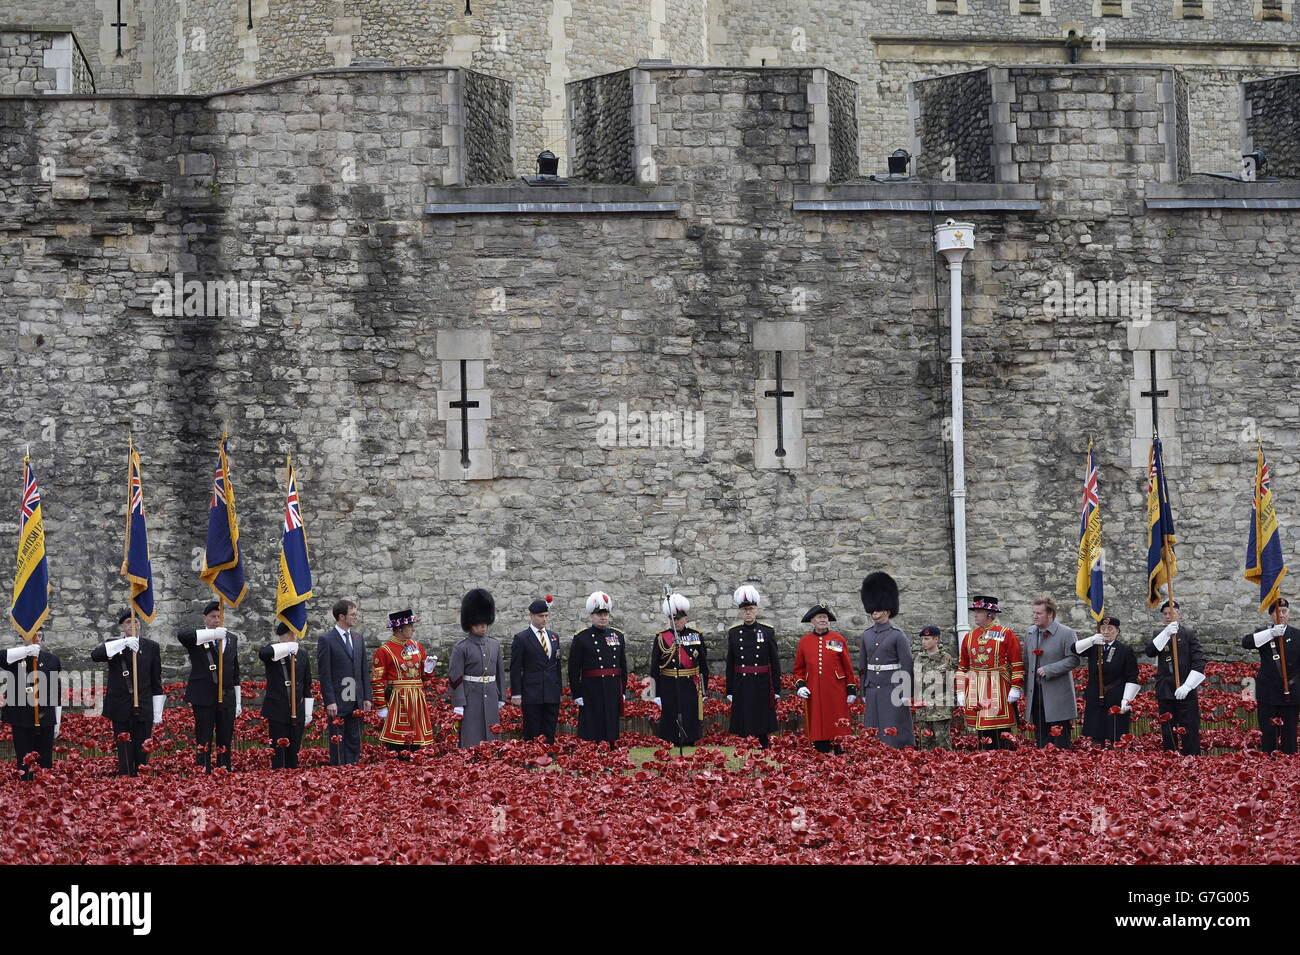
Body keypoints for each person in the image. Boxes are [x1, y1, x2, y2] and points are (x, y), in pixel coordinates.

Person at [91, 610, 164, 776]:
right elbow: (96, 655)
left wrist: (157, 711)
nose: (133, 625)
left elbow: (156, 680)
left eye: (136, 622)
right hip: (120, 706)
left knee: (143, 749)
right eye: (128, 623)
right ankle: (126, 780)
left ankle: (141, 781)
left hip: (144, 705)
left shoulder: (151, 647)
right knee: (124, 749)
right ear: (122, 627)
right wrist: (123, 644)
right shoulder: (113, 645)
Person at [177, 601, 240, 773]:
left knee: (225, 737)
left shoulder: (231, 638)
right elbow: (182, 635)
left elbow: (235, 671)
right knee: (203, 737)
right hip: (203, 696)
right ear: (204, 618)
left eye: (220, 616)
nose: (217, 620)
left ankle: (224, 768)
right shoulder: (197, 637)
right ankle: (203, 769)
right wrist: (212, 635)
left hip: (227, 696)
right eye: (213, 616)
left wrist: (238, 700)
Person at [957, 595, 1023, 750]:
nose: (975, 614)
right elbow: (962, 666)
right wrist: (960, 690)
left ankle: (1004, 766)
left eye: (978, 611)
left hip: (998, 687)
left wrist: (1016, 687)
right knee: (982, 733)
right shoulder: (970, 636)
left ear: (989, 614)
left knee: (1000, 730)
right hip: (976, 687)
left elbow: (1016, 663)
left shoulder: (1005, 634)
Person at [858, 572, 914, 748]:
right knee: (873, 726)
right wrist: (864, 690)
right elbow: (862, 666)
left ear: (887, 610)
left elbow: (907, 665)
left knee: (892, 727)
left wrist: (905, 691)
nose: (875, 612)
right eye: (873, 608)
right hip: (873, 687)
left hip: (892, 687)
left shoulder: (898, 635)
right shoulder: (866, 635)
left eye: (879, 608)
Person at [1144, 599, 1207, 756]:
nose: (1168, 616)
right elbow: (1150, 651)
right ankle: (1170, 760)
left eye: (1171, 613)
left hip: (1186, 689)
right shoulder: (1159, 634)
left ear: (1179, 614)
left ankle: (1191, 760)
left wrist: (1188, 685)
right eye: (1164, 614)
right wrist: (1165, 634)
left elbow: (1199, 662)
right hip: (1166, 689)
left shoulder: (1189, 633)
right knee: (1168, 730)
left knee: (1189, 730)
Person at [793, 604, 857, 754]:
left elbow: (847, 667)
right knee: (818, 721)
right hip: (813, 689)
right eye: (820, 617)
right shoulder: (804, 642)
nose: (823, 620)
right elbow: (799, 669)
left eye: (825, 617)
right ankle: (820, 751)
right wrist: (800, 685)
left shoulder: (837, 639)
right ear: (812, 621)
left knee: (836, 720)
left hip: (836, 690)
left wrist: (851, 688)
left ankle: (839, 750)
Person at [567, 591, 629, 745]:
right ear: (591, 616)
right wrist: (577, 693)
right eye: (599, 614)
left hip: (612, 687)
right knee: (592, 723)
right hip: (591, 688)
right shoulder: (582, 637)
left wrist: (622, 690)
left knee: (611, 721)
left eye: (606, 614)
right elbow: (573, 668)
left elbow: (623, 666)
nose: (603, 617)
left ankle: (611, 751)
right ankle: (592, 755)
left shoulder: (617, 635)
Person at [317, 598, 372, 765]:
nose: (355, 617)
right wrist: (330, 701)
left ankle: (353, 769)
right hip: (338, 700)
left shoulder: (357, 638)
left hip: (356, 698)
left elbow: (364, 669)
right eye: (352, 614)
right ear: (341, 616)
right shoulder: (327, 640)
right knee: (338, 740)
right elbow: (324, 674)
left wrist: (367, 697)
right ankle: (338, 772)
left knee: (354, 739)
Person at [725, 585, 781, 748]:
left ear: (756, 610)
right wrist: (729, 689)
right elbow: (730, 664)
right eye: (744, 610)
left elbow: (775, 663)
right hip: (741, 682)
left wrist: (776, 689)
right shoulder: (734, 633)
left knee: (762, 716)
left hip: (762, 682)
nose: (748, 612)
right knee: (743, 716)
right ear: (740, 612)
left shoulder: (767, 631)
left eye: (750, 609)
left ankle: (763, 744)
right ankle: (744, 746)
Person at [1020, 595, 1080, 749]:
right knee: (1041, 739)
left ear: (1050, 614)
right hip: (1036, 695)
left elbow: (1074, 659)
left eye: (1039, 613)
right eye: (1034, 613)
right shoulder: (1030, 633)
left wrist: (1049, 669)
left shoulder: (1067, 633)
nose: (1034, 616)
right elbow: (1026, 662)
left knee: (1060, 741)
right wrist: (1025, 690)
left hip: (1058, 695)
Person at [650, 593, 709, 747]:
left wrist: (703, 690)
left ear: (685, 619)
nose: (675, 622)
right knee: (670, 714)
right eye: (672, 619)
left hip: (690, 683)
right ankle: (671, 742)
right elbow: (654, 668)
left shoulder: (695, 636)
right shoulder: (661, 638)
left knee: (690, 714)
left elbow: (703, 667)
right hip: (668, 683)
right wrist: (656, 694)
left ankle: (689, 741)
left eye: (678, 619)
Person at [448, 589, 505, 749]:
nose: (483, 626)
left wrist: (501, 697)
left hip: (491, 694)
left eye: (485, 622)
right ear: (470, 623)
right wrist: (458, 702)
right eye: (478, 623)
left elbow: (500, 673)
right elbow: (455, 677)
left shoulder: (494, 644)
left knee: (492, 736)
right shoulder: (462, 648)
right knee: (472, 736)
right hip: (470, 696)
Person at [374, 609, 437, 753]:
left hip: (417, 699)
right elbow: (377, 680)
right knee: (398, 741)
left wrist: (428, 670)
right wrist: (381, 706)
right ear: (399, 629)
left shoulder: (417, 646)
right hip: (398, 699)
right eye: (410, 626)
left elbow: (424, 678)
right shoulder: (384, 650)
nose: (413, 629)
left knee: (417, 741)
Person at [1242, 597, 1299, 754]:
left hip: (1290, 694)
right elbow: (1246, 642)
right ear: (1271, 616)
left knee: (1290, 738)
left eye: (1284, 611)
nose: (1281, 615)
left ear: (1289, 614)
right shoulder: (1264, 633)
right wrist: (1271, 633)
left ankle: (1288, 772)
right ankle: (1268, 770)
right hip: (1268, 694)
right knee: (1268, 736)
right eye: (1277, 612)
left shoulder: (1297, 635)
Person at [2, 629, 61, 780]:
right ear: (22, 637)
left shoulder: (51, 659)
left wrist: (57, 721)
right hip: (21, 716)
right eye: (32, 635)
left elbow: (56, 691)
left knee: (45, 760)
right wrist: (25, 651)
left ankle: (43, 789)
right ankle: (26, 789)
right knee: (24, 760)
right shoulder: (14, 658)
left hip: (45, 716)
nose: (37, 638)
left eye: (39, 635)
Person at [1074, 616, 1140, 746]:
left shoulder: (1125, 650)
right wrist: (1092, 640)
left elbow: (1132, 675)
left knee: (1116, 734)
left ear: (1117, 631)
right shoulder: (1093, 647)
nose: (1106, 632)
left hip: (1115, 695)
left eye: (1110, 629)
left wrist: (1127, 699)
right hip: (1095, 695)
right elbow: (1074, 649)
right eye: (1103, 629)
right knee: (1096, 736)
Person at [259, 622, 314, 768]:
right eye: (291, 634)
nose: (294, 637)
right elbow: (263, 653)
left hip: (298, 709)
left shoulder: (301, 654)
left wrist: (308, 712)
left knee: (294, 753)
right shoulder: (274, 653)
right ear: (282, 636)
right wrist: (286, 647)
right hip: (278, 710)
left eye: (294, 634)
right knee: (278, 753)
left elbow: (307, 684)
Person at [509, 597, 563, 743]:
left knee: (550, 725)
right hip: (531, 691)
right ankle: (532, 757)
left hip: (551, 690)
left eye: (546, 616)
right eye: (540, 616)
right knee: (532, 727)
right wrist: (516, 693)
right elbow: (515, 668)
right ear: (531, 616)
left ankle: (549, 753)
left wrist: (559, 690)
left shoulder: (553, 637)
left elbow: (557, 665)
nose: (544, 619)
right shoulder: (522, 638)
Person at [912, 625, 955, 750]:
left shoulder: (945, 658)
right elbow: (917, 682)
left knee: (943, 744)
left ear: (936, 639)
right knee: (924, 745)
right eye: (923, 639)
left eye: (927, 639)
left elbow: (950, 682)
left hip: (940, 709)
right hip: (924, 709)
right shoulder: (919, 658)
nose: (923, 642)